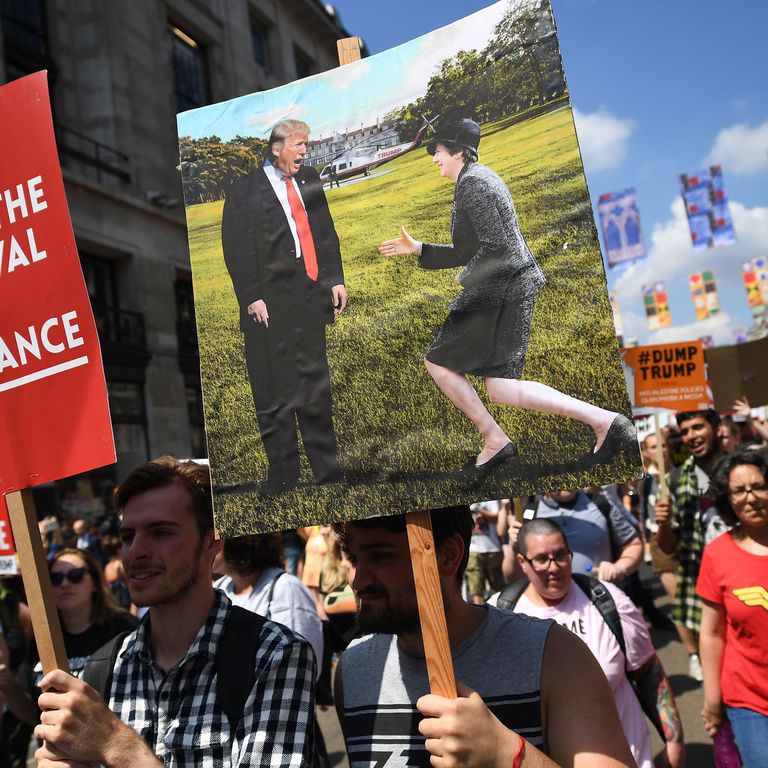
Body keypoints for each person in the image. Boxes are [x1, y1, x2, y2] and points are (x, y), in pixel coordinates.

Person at [378, 117, 635, 478]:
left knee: (438, 361)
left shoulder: (475, 185)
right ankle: (607, 423)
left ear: (456, 152)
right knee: (501, 387)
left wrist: (466, 276)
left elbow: (497, 247)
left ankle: (496, 441)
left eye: (437, 151)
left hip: (501, 290)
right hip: (511, 287)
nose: (434, 158)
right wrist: (419, 248)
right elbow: (470, 247)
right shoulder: (473, 180)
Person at [32, 456, 316, 767]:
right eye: (128, 536)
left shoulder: (274, 656)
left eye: (161, 532)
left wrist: (116, 744)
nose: (136, 552)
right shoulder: (104, 669)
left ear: (211, 542)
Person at [333, 508, 636, 767]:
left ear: (448, 555)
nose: (358, 579)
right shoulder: (354, 672)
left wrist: (507, 754)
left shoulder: (554, 657)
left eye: (381, 556)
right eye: (353, 557)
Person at [222, 119, 347, 495]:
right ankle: (283, 476)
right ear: (276, 148)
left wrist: (335, 278)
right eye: (299, 144)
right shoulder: (244, 190)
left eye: (306, 144)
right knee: (274, 391)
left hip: (309, 296)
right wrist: (250, 296)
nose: (305, 151)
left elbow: (325, 232)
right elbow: (235, 248)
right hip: (269, 304)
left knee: (314, 385)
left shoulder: (309, 179)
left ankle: (328, 471)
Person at [496, 518, 684, 768]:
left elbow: (649, 672)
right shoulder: (501, 616)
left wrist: (675, 742)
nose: (554, 567)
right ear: (523, 562)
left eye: (561, 555)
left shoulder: (609, 601)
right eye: (541, 559)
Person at [697, 450, 768, 767]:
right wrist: (713, 701)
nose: (751, 497)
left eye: (758, 486)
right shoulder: (717, 555)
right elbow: (711, 634)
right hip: (748, 699)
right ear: (728, 499)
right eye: (740, 490)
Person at [655, 409, 726, 681]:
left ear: (717, 428)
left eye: (697, 427)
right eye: (684, 431)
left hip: (746, 580)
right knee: (717, 667)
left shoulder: (741, 470)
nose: (691, 436)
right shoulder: (674, 480)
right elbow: (670, 547)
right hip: (704, 586)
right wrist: (664, 523)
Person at [212, 532, 323, 676]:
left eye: (213, 537)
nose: (206, 545)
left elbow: (299, 667)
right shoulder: (218, 589)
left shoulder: (286, 589)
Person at [507, 489, 642, 584]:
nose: (564, 477)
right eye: (556, 471)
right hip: (553, 613)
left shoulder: (600, 504)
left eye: (569, 468)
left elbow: (633, 545)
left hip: (602, 602)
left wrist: (618, 568)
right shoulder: (528, 515)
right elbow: (512, 578)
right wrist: (514, 549)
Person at [466, 499, 507, 603]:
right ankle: (480, 616)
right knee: (476, 589)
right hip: (473, 549)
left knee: (499, 588)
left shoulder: (492, 498)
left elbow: (496, 518)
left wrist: (480, 511)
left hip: (493, 548)